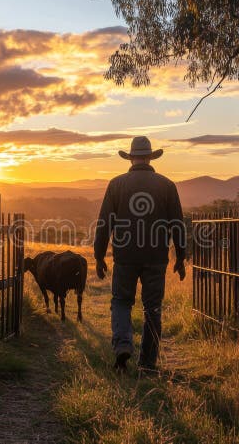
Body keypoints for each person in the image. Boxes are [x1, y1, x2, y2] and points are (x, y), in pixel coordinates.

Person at [94, 136, 186, 374]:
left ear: (131, 158)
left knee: (122, 302)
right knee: (152, 307)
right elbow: (177, 224)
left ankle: (123, 345)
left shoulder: (116, 184)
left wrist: (98, 255)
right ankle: (147, 363)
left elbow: (105, 223)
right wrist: (181, 257)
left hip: (125, 256)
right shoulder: (167, 185)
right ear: (150, 157)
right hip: (156, 257)